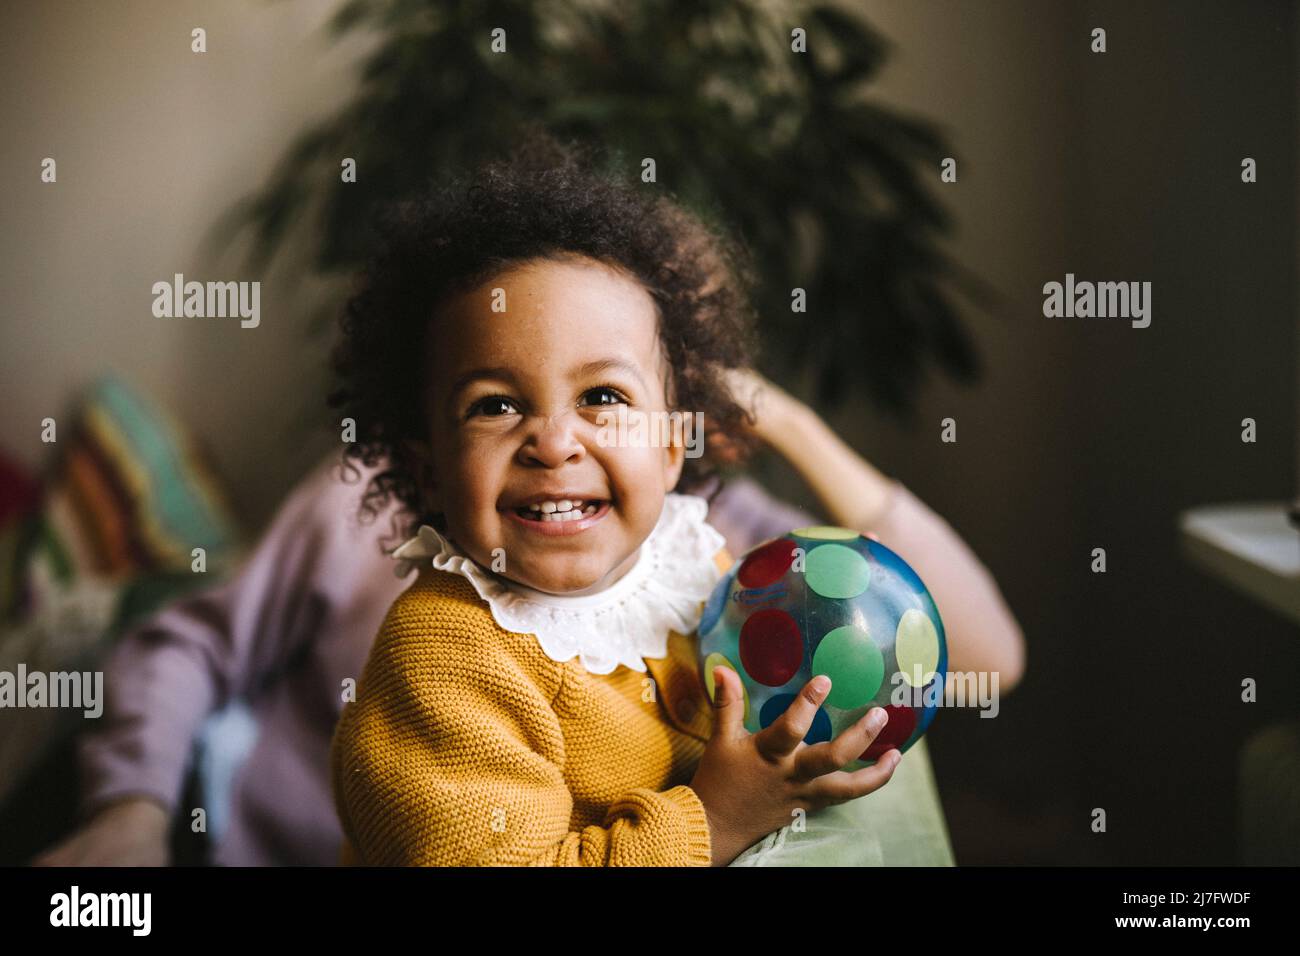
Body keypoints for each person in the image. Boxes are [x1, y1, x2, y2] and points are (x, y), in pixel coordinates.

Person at [35, 136, 1024, 867]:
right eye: (496, 402)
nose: (555, 439)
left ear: (684, 430)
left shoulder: (711, 559)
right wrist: (713, 817)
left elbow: (966, 658)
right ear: (420, 463)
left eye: (603, 393)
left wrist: (779, 421)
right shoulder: (440, 646)